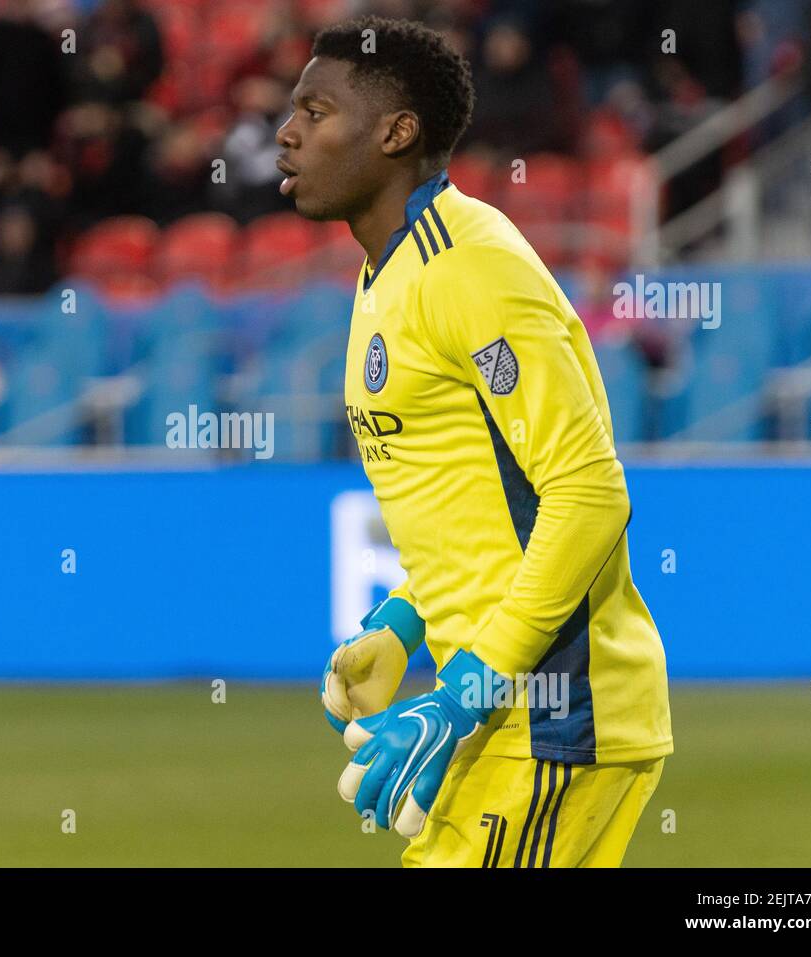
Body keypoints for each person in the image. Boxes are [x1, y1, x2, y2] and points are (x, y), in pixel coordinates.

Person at [279, 16, 672, 867]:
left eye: (317, 111)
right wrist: (404, 623)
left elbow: (587, 493)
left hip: (552, 716)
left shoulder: (470, 265)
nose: (287, 132)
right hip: (501, 717)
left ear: (396, 131)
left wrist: (463, 692)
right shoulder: (386, 275)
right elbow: (491, 514)